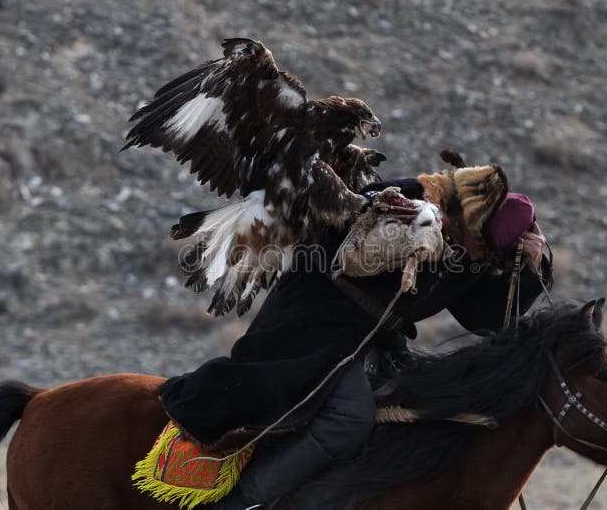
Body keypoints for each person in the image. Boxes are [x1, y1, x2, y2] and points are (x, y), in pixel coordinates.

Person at [160, 167, 553, 510]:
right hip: (312, 328)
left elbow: (485, 318)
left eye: (489, 258)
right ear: (476, 218)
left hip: (374, 340)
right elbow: (331, 241)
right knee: (349, 418)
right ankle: (243, 503)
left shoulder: (471, 242)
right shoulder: (404, 199)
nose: (481, 261)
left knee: (422, 413)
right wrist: (403, 238)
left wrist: (533, 269)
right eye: (484, 251)